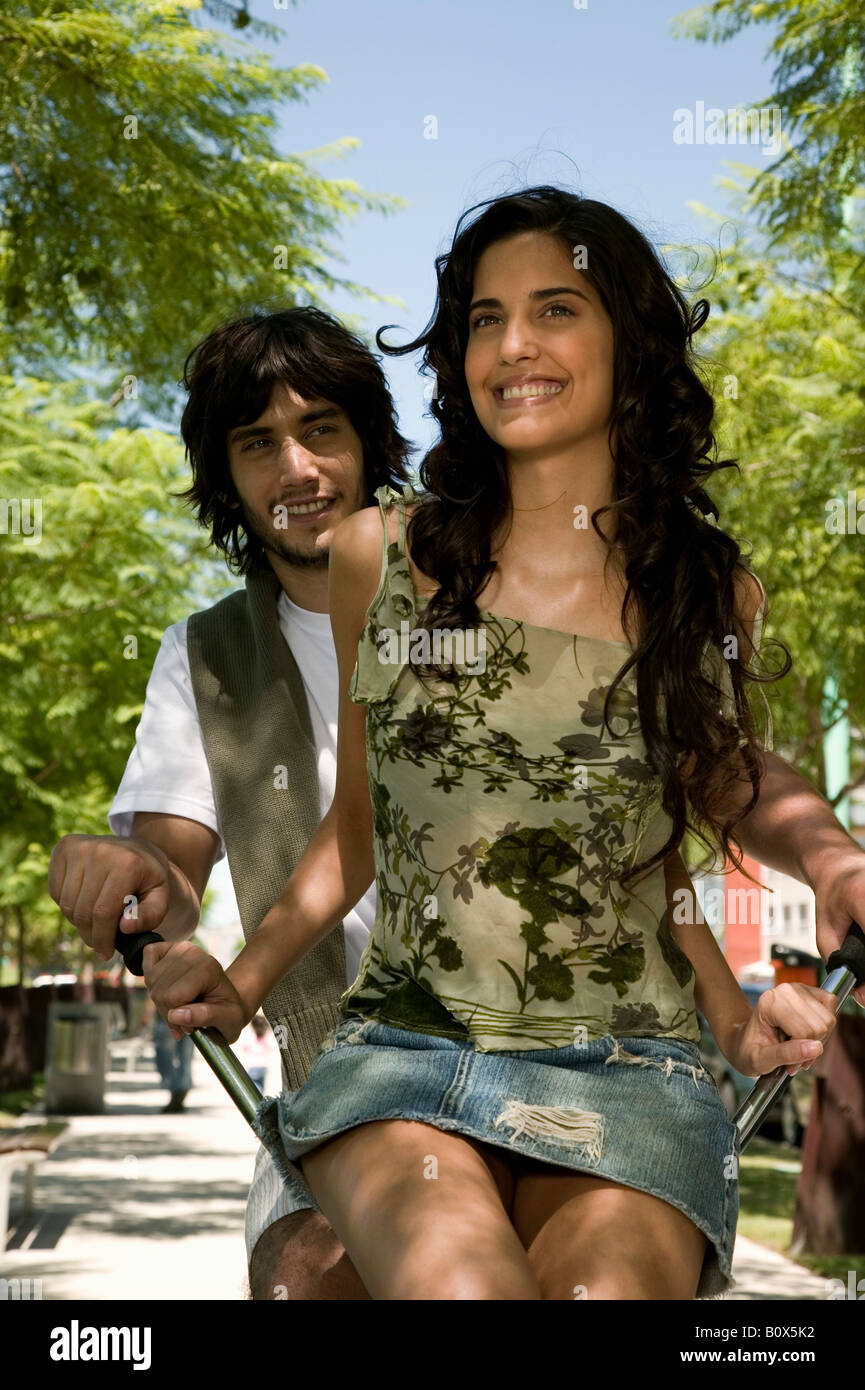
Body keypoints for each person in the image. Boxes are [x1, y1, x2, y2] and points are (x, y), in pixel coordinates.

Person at [142, 185, 865, 1301]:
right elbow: (356, 834)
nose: (512, 344)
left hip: (635, 1064)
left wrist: (748, 993)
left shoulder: (703, 587)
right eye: (484, 317)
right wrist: (241, 983)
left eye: (555, 308)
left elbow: (664, 837)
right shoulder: (379, 557)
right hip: (410, 1052)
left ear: (630, 342)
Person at [48, 306, 412, 1300]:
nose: (294, 468)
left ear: (369, 442)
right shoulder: (201, 656)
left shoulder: (476, 584)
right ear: (227, 476)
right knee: (308, 1276)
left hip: (541, 1058)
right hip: (336, 1083)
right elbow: (170, 872)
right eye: (258, 443)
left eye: (321, 430)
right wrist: (128, 871)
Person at [140, 992, 194, 1112]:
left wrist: (147, 1012)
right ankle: (182, 1086)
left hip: (168, 1016)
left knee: (164, 1056)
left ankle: (176, 1088)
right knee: (185, 1057)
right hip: (189, 1015)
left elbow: (152, 989)